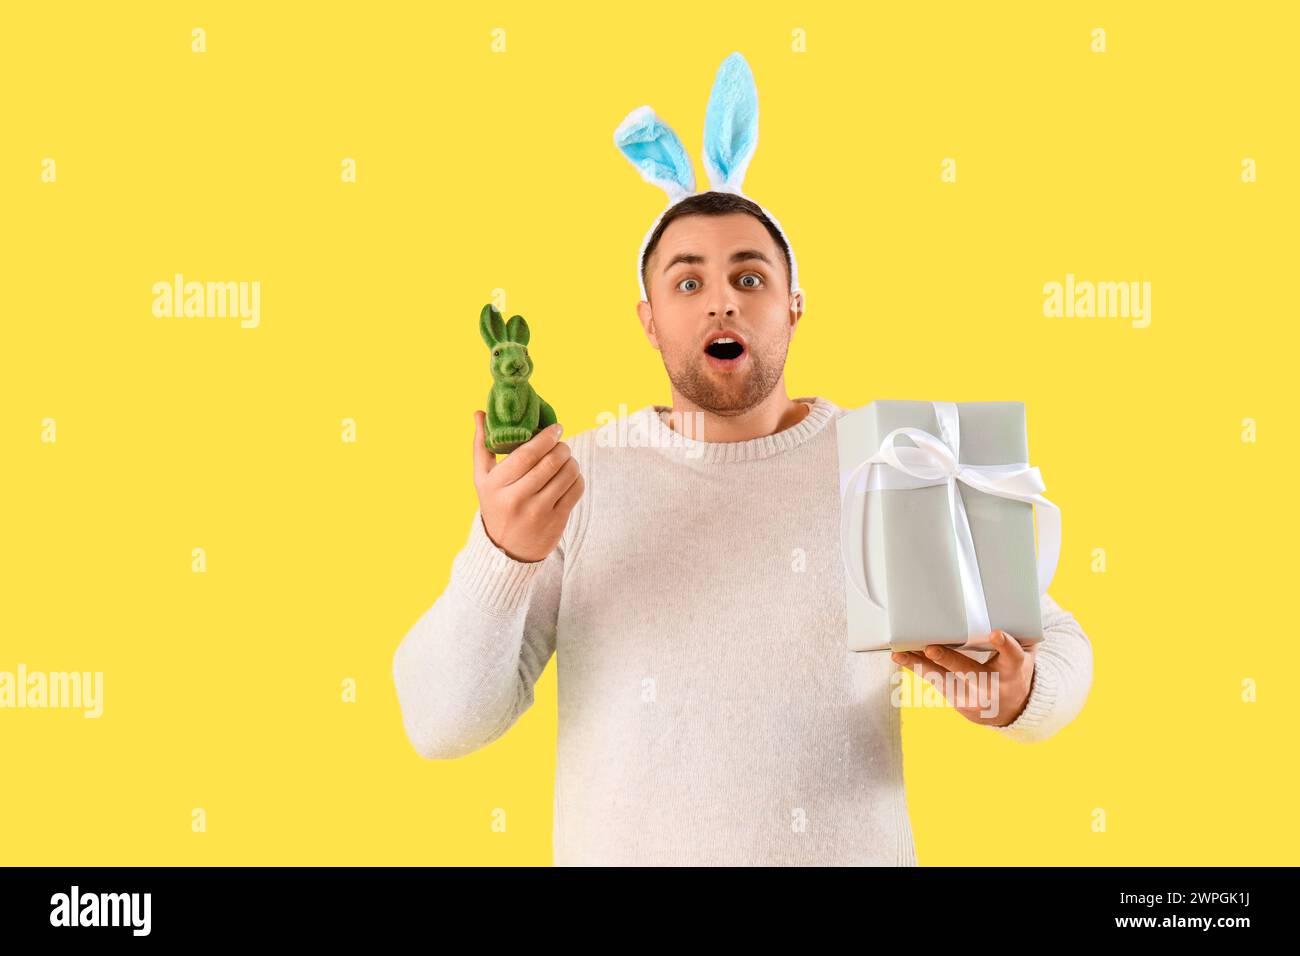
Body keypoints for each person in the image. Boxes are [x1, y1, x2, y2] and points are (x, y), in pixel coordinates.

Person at [391, 189, 1094, 865]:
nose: (722, 300)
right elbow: (441, 722)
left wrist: (1022, 691)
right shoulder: (577, 480)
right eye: (687, 283)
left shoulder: (891, 460)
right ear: (649, 319)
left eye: (750, 277)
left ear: (793, 308)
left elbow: (1057, 641)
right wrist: (503, 553)